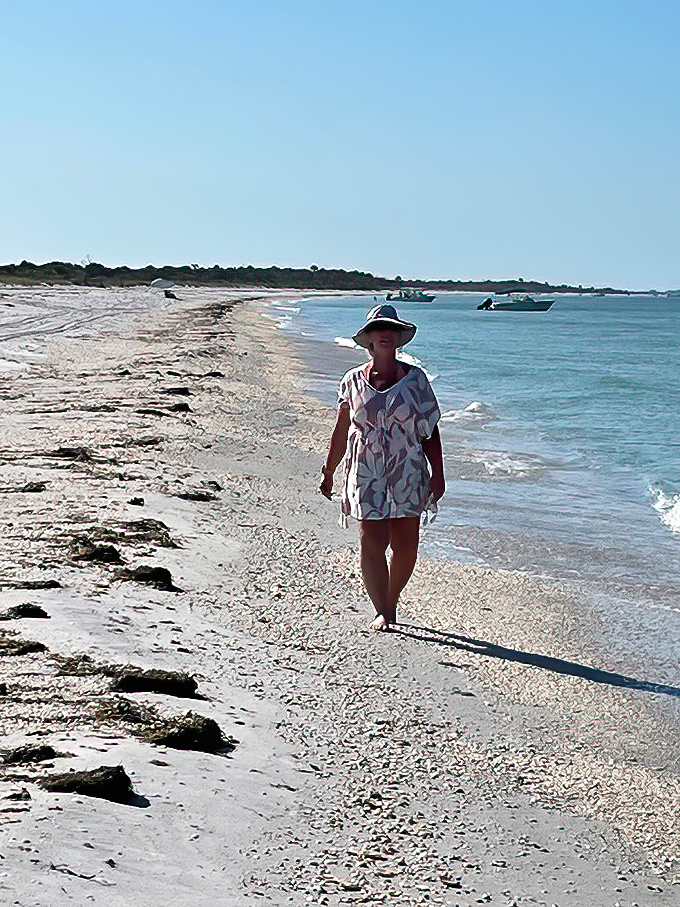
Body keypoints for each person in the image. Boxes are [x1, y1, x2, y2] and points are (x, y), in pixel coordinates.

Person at [320, 304, 445, 631]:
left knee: (406, 546)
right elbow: (341, 429)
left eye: (391, 328)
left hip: (408, 469)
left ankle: (391, 598)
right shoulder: (351, 381)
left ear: (399, 337)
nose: (385, 333)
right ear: (369, 339)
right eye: (378, 329)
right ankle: (384, 612)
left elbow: (430, 430)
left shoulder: (416, 381)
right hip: (366, 470)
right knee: (371, 542)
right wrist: (329, 470)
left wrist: (439, 474)